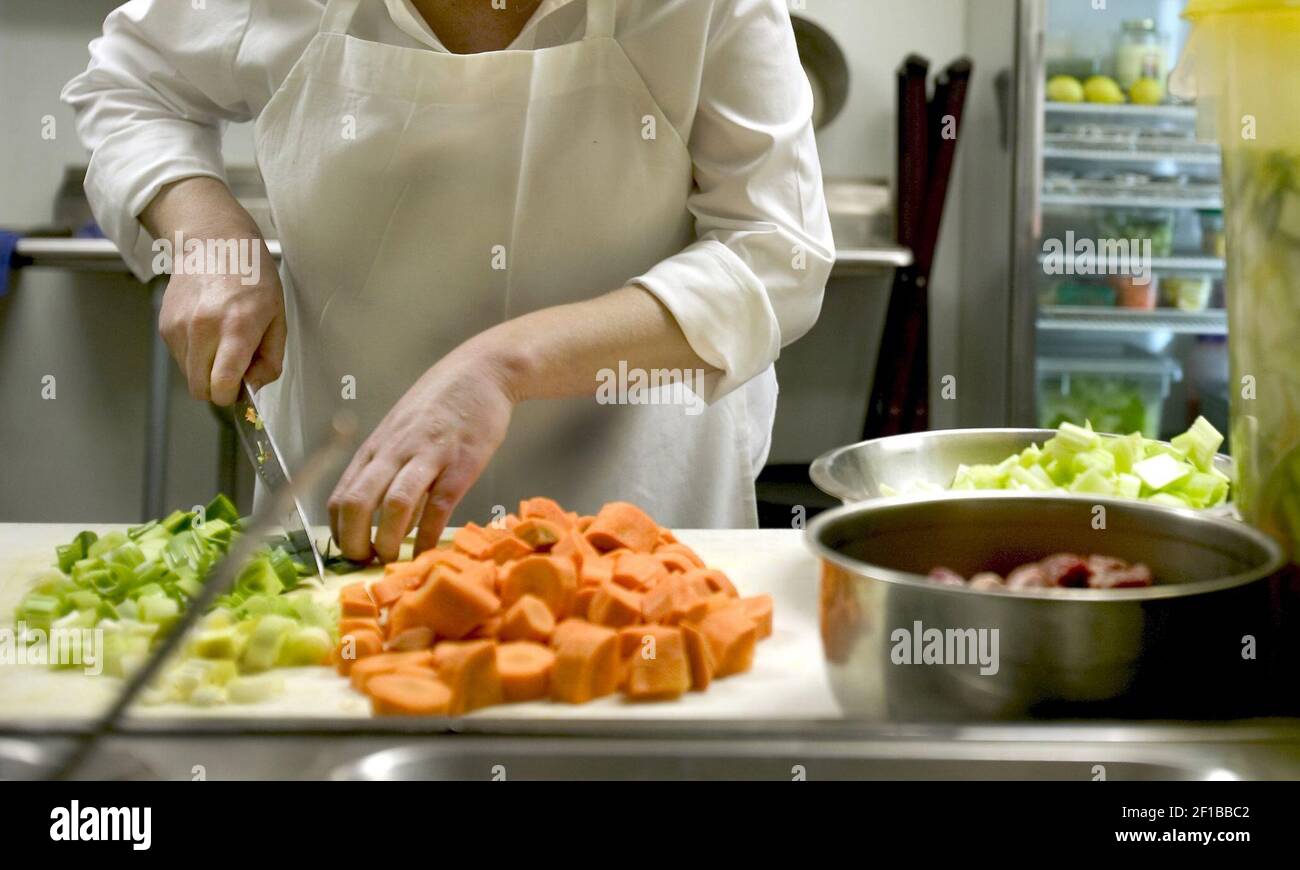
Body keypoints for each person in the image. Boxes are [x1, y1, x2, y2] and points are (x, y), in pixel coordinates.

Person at [64, 0, 834, 562]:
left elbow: (777, 254)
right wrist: (207, 236)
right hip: (352, 518)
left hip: (641, 519)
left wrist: (505, 365)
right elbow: (132, 86)